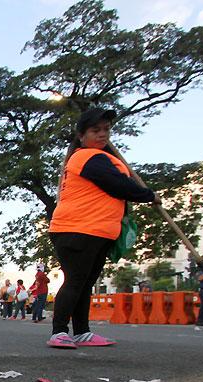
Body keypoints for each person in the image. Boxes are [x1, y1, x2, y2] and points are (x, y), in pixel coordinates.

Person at [47, 107, 158, 349]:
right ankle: (59, 331)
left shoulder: (100, 157)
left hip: (96, 231)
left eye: (106, 130)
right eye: (95, 130)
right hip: (77, 229)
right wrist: (148, 195)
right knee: (75, 280)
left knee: (86, 283)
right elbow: (117, 185)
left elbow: (119, 184)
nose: (102, 134)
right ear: (81, 135)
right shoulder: (85, 157)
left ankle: (82, 332)